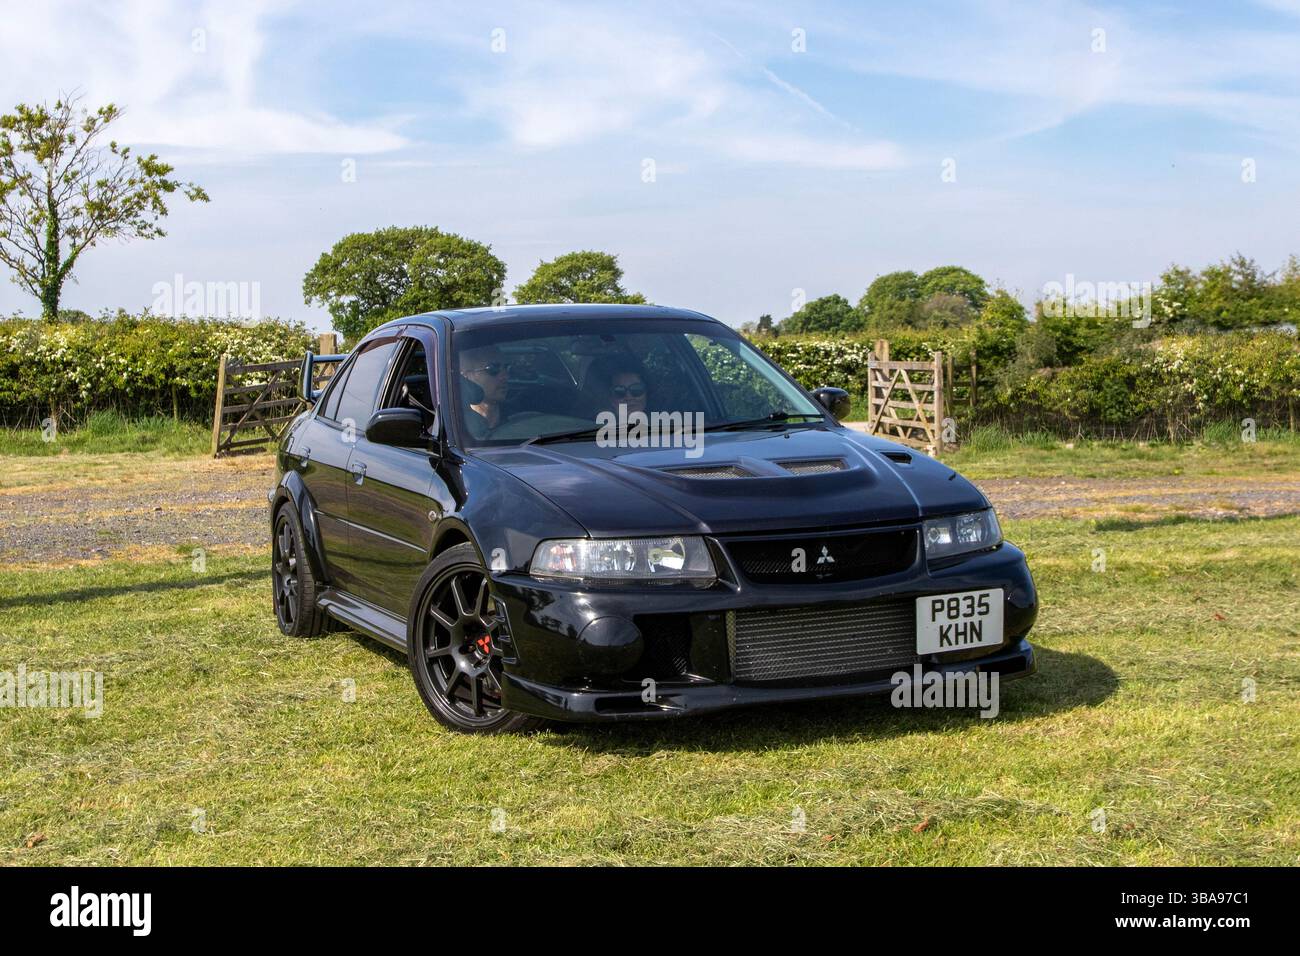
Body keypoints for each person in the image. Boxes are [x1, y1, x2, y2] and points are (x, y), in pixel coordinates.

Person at [459, 345, 510, 438]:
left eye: (506, 368)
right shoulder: (454, 426)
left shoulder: (520, 416)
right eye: (493, 369)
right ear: (466, 377)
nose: (505, 377)